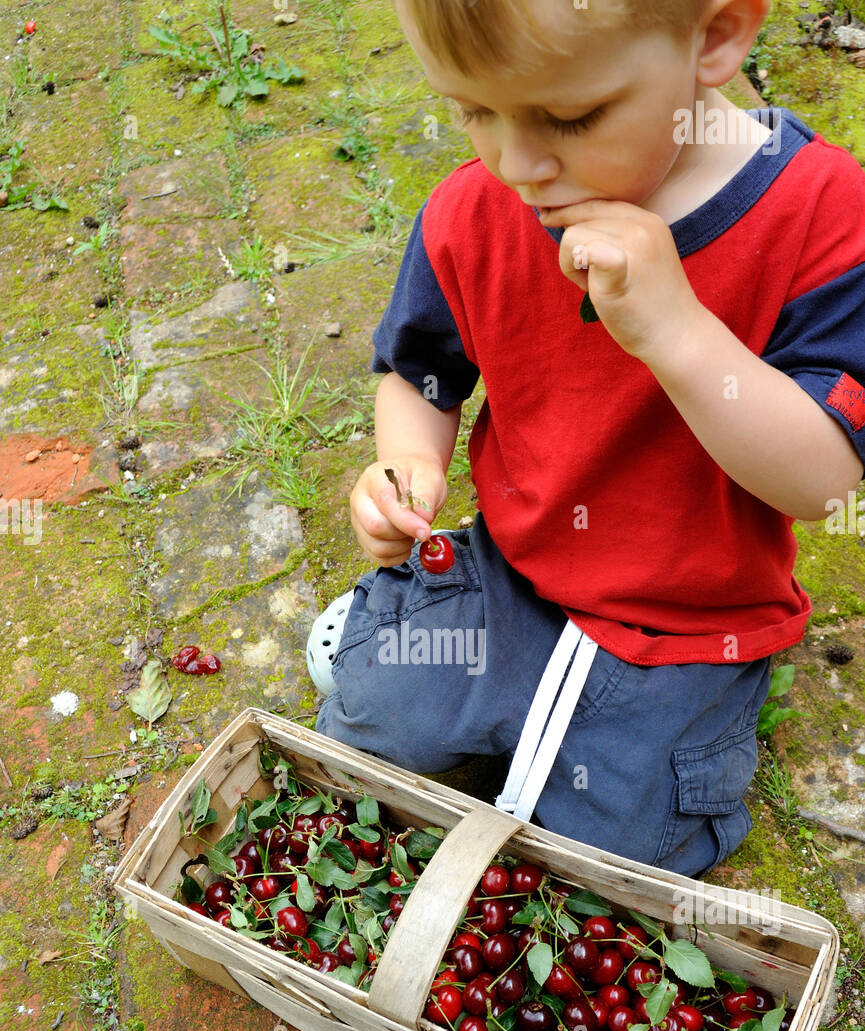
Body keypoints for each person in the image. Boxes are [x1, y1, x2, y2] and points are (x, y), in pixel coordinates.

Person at [308, 0, 865, 878]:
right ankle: (411, 627)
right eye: (473, 110)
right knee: (374, 719)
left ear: (714, 38)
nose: (517, 163)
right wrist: (405, 462)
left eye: (570, 116)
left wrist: (676, 332)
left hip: (690, 623)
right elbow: (419, 373)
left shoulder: (818, 213)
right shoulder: (475, 207)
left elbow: (823, 483)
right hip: (516, 572)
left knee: (602, 857)